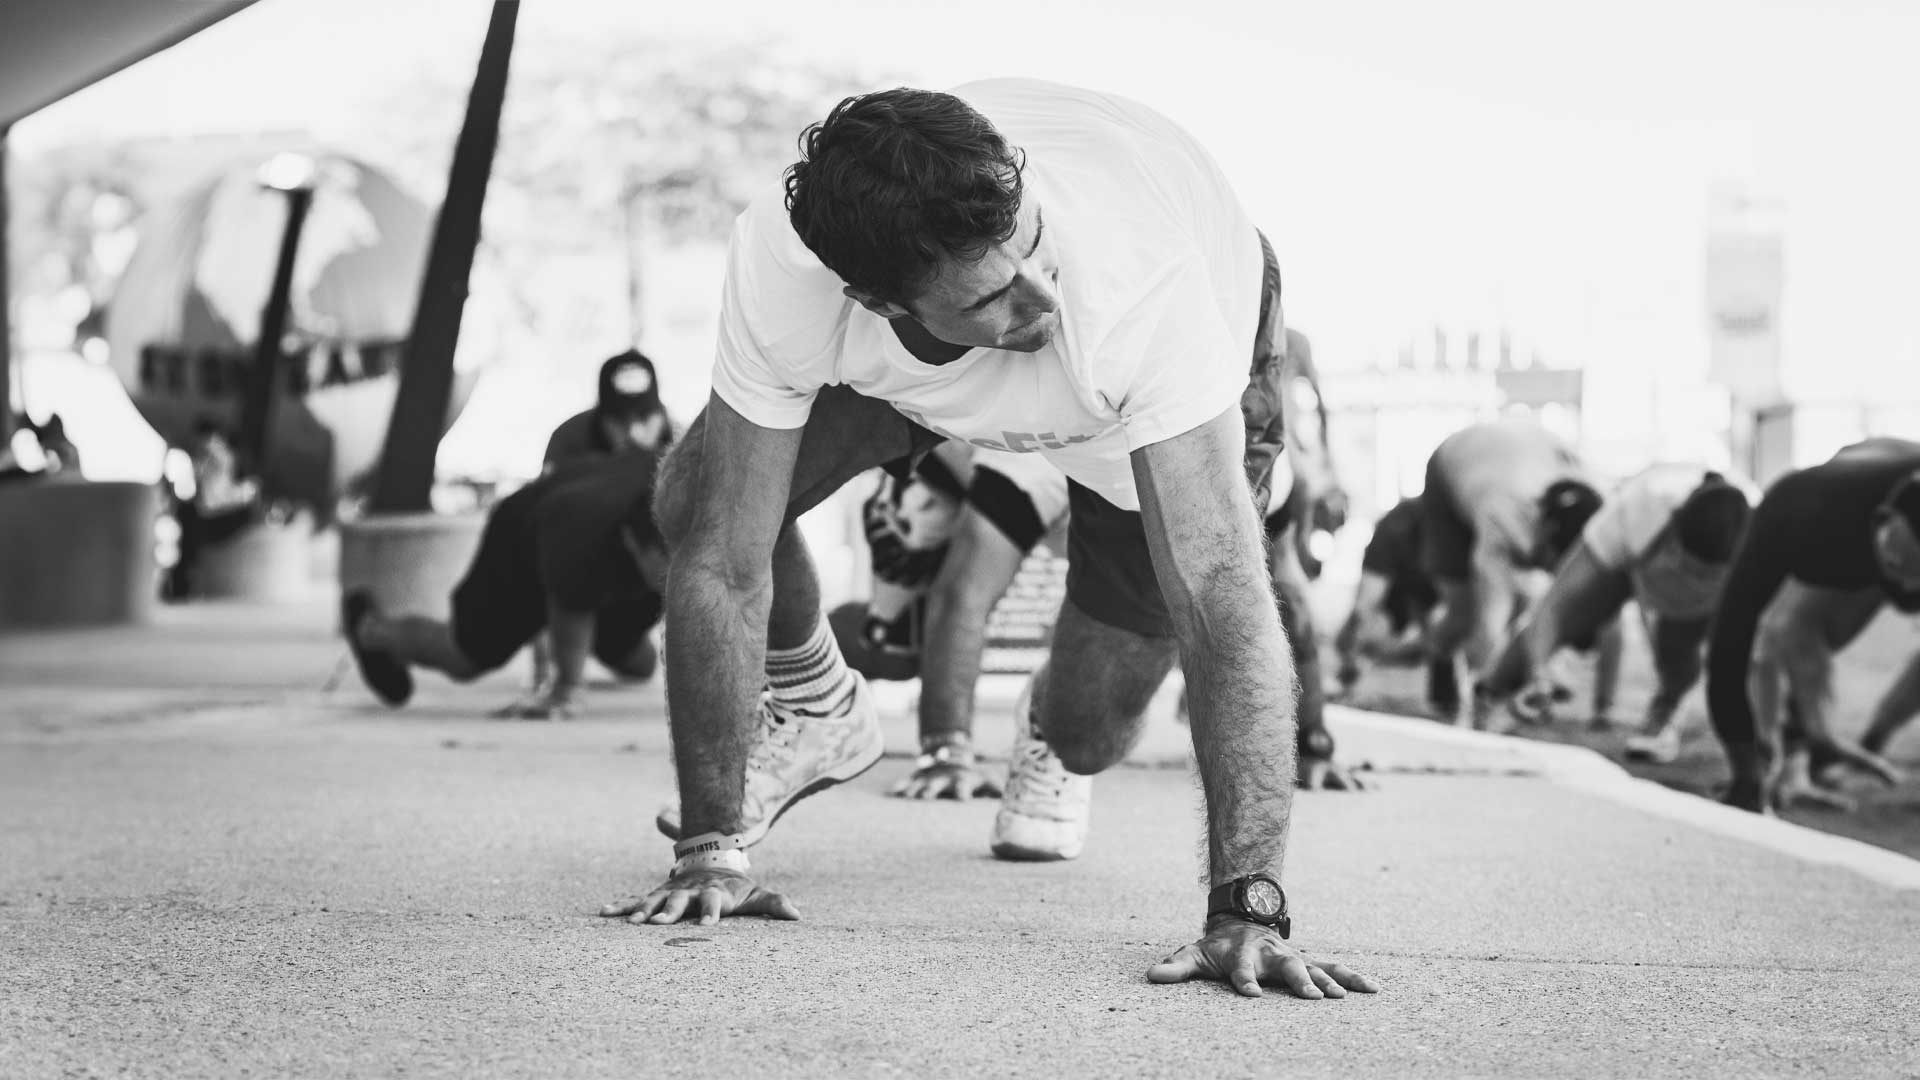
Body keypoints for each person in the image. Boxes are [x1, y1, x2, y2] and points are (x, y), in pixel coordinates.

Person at [604, 80, 1377, 1001]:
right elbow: (727, 561)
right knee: (694, 498)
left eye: (1031, 243)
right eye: (993, 293)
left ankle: (1049, 723)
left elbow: (1219, 589)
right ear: (875, 301)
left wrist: (1249, 909)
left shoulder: (1139, 283)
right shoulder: (787, 266)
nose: (1040, 297)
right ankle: (814, 702)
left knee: (1092, 731)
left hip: (1152, 383)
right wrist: (709, 851)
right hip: (924, 370)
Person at [341, 451, 667, 720]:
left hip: (601, 551)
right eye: (664, 564)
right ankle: (373, 631)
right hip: (521, 540)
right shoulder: (579, 538)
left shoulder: (684, 504)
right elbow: (571, 614)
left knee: (640, 665)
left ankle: (587, 622)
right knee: (466, 657)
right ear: (632, 543)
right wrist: (565, 690)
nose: (674, 571)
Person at [1472, 465, 1755, 759]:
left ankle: (1665, 713)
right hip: (1630, 557)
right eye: (1688, 568)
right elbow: (1552, 607)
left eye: (1703, 576)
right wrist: (1539, 672)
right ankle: (1488, 693)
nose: (1691, 581)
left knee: (1677, 651)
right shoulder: (1637, 514)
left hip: (1703, 593)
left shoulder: (1760, 541)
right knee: (1564, 621)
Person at [1704, 438, 1918, 812]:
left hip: (1883, 517)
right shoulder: (1799, 511)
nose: (1907, 589)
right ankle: (1794, 757)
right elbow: (1728, 646)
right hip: (1844, 512)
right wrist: (1746, 773)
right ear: (1882, 523)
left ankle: (1861, 742)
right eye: (1901, 571)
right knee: (1788, 634)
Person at [1418, 418, 1605, 724]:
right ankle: (1440, 652)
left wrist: (1604, 710)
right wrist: (1487, 695)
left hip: (1527, 448)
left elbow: (1607, 617)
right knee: (1463, 611)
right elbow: (1490, 620)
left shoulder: (1605, 523)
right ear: (1545, 531)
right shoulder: (1501, 514)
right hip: (1454, 461)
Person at [1332, 496, 1439, 697]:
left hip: (1435, 580)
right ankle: (1349, 666)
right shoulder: (1398, 525)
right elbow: (1365, 606)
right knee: (1365, 617)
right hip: (1401, 558)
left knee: (1440, 637)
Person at [544, 349, 675, 470]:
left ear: (661, 416)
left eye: (643, 418)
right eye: (621, 420)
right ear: (600, 418)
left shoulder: (679, 442)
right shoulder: (567, 442)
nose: (633, 433)